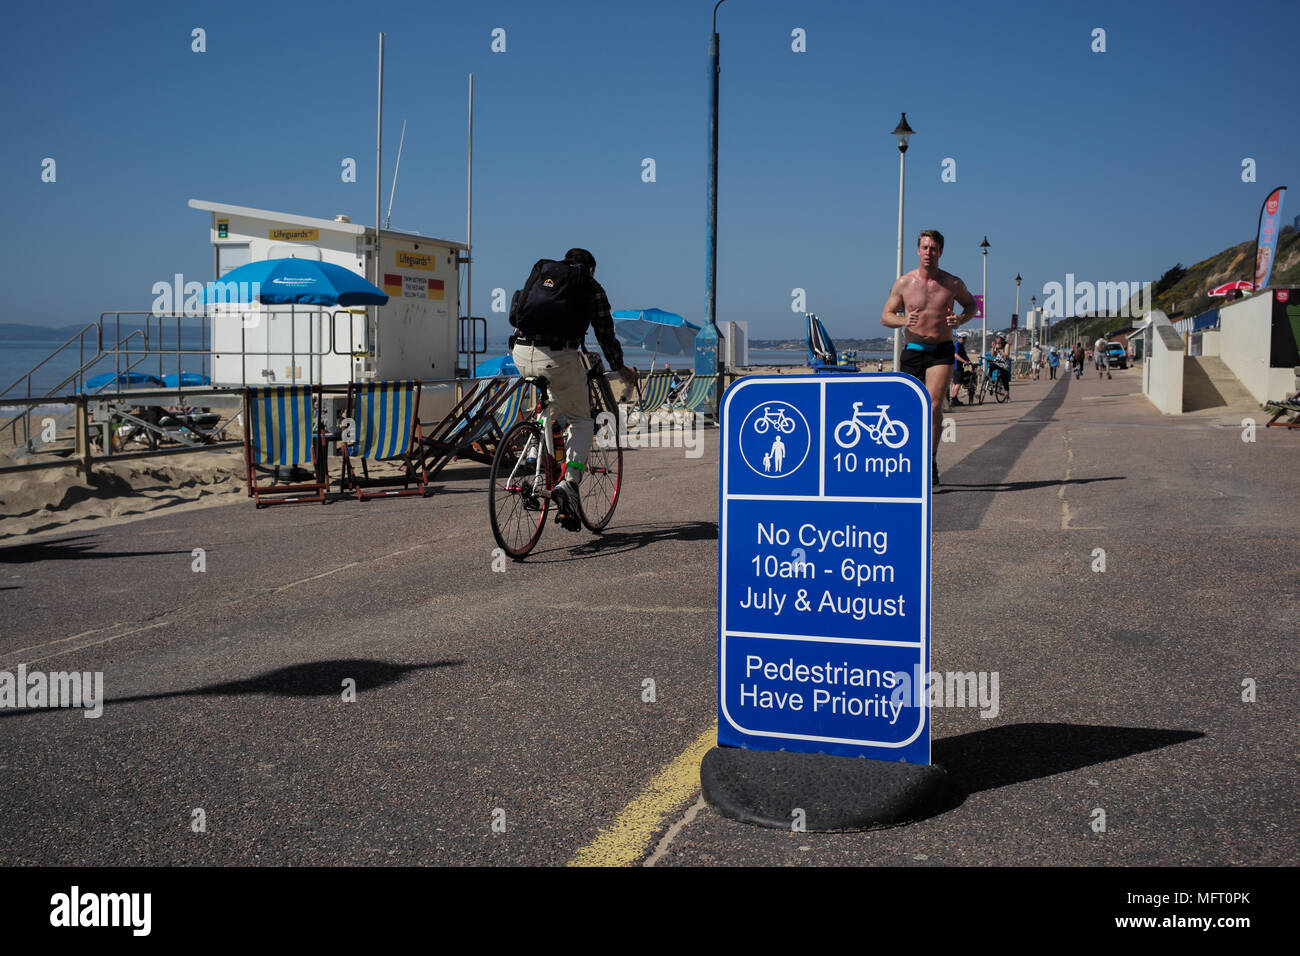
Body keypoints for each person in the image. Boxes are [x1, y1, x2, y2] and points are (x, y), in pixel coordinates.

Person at [510, 248, 639, 530]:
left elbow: (517, 311)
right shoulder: (590, 285)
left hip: (520, 352)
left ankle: (535, 448)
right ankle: (569, 482)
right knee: (581, 420)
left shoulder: (545, 274)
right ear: (590, 269)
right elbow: (605, 333)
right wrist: (620, 368)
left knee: (553, 401)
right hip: (557, 357)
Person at [880, 229, 980, 486]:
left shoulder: (952, 283)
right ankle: (911, 457)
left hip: (941, 350)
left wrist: (960, 319)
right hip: (913, 350)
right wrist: (904, 320)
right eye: (924, 248)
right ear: (917, 250)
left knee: (934, 405)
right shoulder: (904, 283)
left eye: (933, 248)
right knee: (908, 409)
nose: (928, 253)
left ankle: (930, 459)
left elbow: (972, 305)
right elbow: (885, 316)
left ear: (941, 252)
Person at [949, 332, 972, 405]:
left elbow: (964, 355)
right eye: (963, 338)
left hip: (958, 367)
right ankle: (954, 398)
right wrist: (964, 361)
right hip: (957, 367)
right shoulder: (957, 345)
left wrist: (968, 360)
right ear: (959, 338)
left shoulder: (961, 345)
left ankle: (954, 398)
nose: (965, 340)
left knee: (955, 383)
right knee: (958, 383)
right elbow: (955, 355)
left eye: (965, 339)